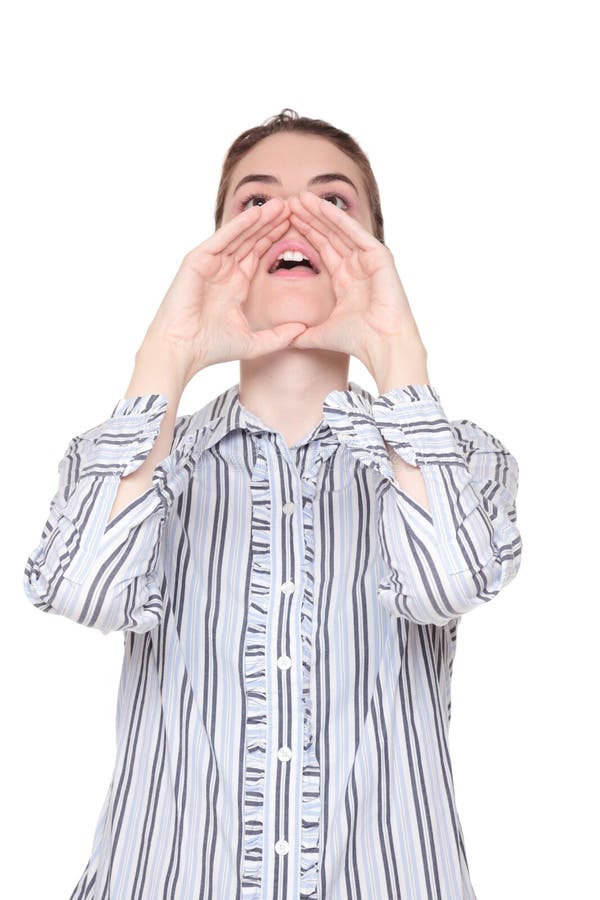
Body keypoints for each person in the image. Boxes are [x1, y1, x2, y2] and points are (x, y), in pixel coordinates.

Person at [23, 108, 522, 900]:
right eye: (255, 204)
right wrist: (166, 356)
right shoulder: (145, 457)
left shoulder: (460, 458)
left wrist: (397, 353)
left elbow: (447, 585)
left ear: (374, 250)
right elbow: (80, 591)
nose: (294, 218)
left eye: (333, 203)